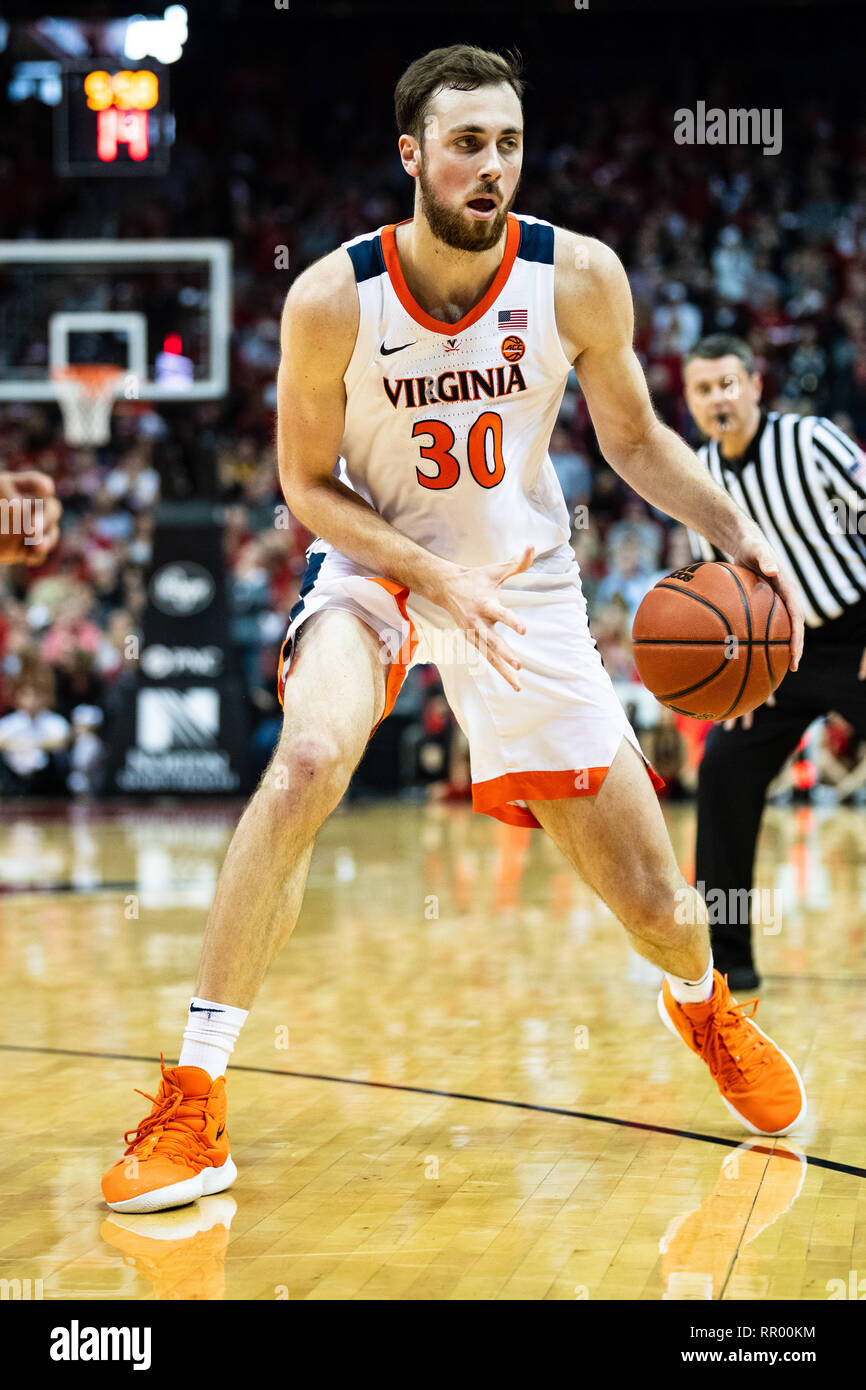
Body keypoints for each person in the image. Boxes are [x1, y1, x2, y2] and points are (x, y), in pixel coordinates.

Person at [102, 45, 807, 1216]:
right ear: (411, 156)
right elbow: (306, 486)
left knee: (648, 899)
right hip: (377, 567)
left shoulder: (575, 277)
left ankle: (701, 1006)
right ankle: (193, 1098)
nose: (491, 166)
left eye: (508, 144)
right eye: (468, 143)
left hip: (520, 584)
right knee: (310, 759)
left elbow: (631, 441)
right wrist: (426, 573)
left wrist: (734, 532)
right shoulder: (332, 298)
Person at [683, 333, 866, 990]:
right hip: (777, 655)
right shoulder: (695, 477)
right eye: (704, 389)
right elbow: (715, 597)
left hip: (856, 630)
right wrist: (736, 686)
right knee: (724, 770)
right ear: (691, 402)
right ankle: (727, 962)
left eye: (728, 383)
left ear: (756, 385)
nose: (718, 398)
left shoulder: (812, 443)